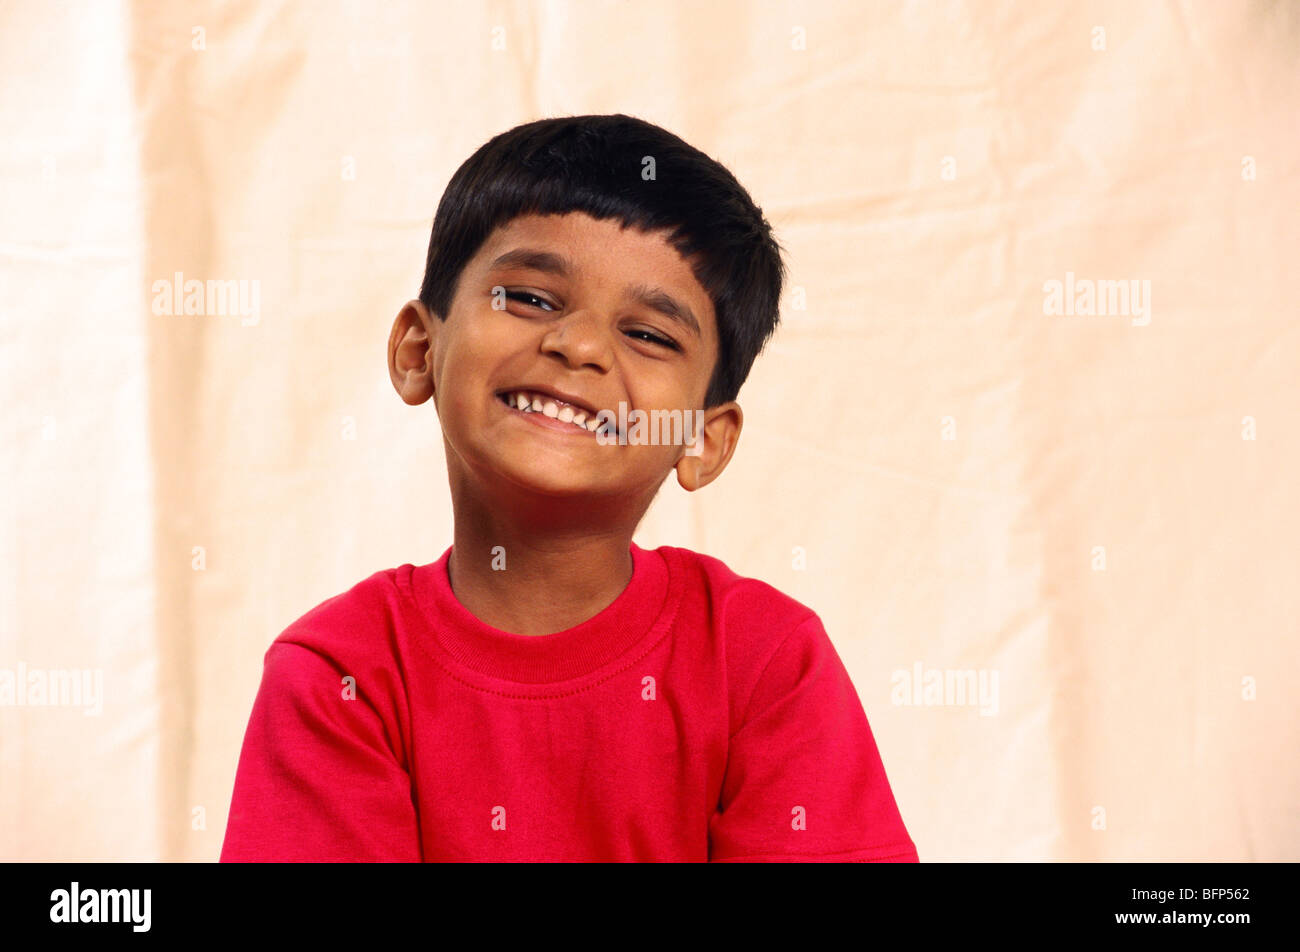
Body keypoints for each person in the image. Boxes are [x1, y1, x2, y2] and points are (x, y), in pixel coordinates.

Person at [220, 114, 918, 862]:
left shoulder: (768, 664)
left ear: (702, 440)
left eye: (649, 335)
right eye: (529, 299)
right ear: (419, 351)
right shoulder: (340, 677)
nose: (578, 346)